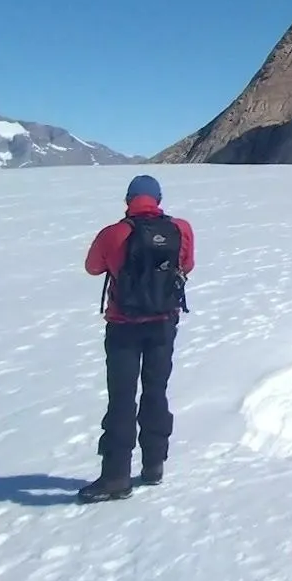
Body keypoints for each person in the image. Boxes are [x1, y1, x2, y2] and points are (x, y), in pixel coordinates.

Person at [77, 174, 195, 503]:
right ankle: (154, 465)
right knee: (156, 391)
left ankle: (116, 476)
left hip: (123, 326)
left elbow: (92, 268)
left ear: (128, 199)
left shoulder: (114, 233)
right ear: (157, 199)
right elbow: (188, 264)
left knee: (122, 398)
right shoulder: (180, 229)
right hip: (163, 325)